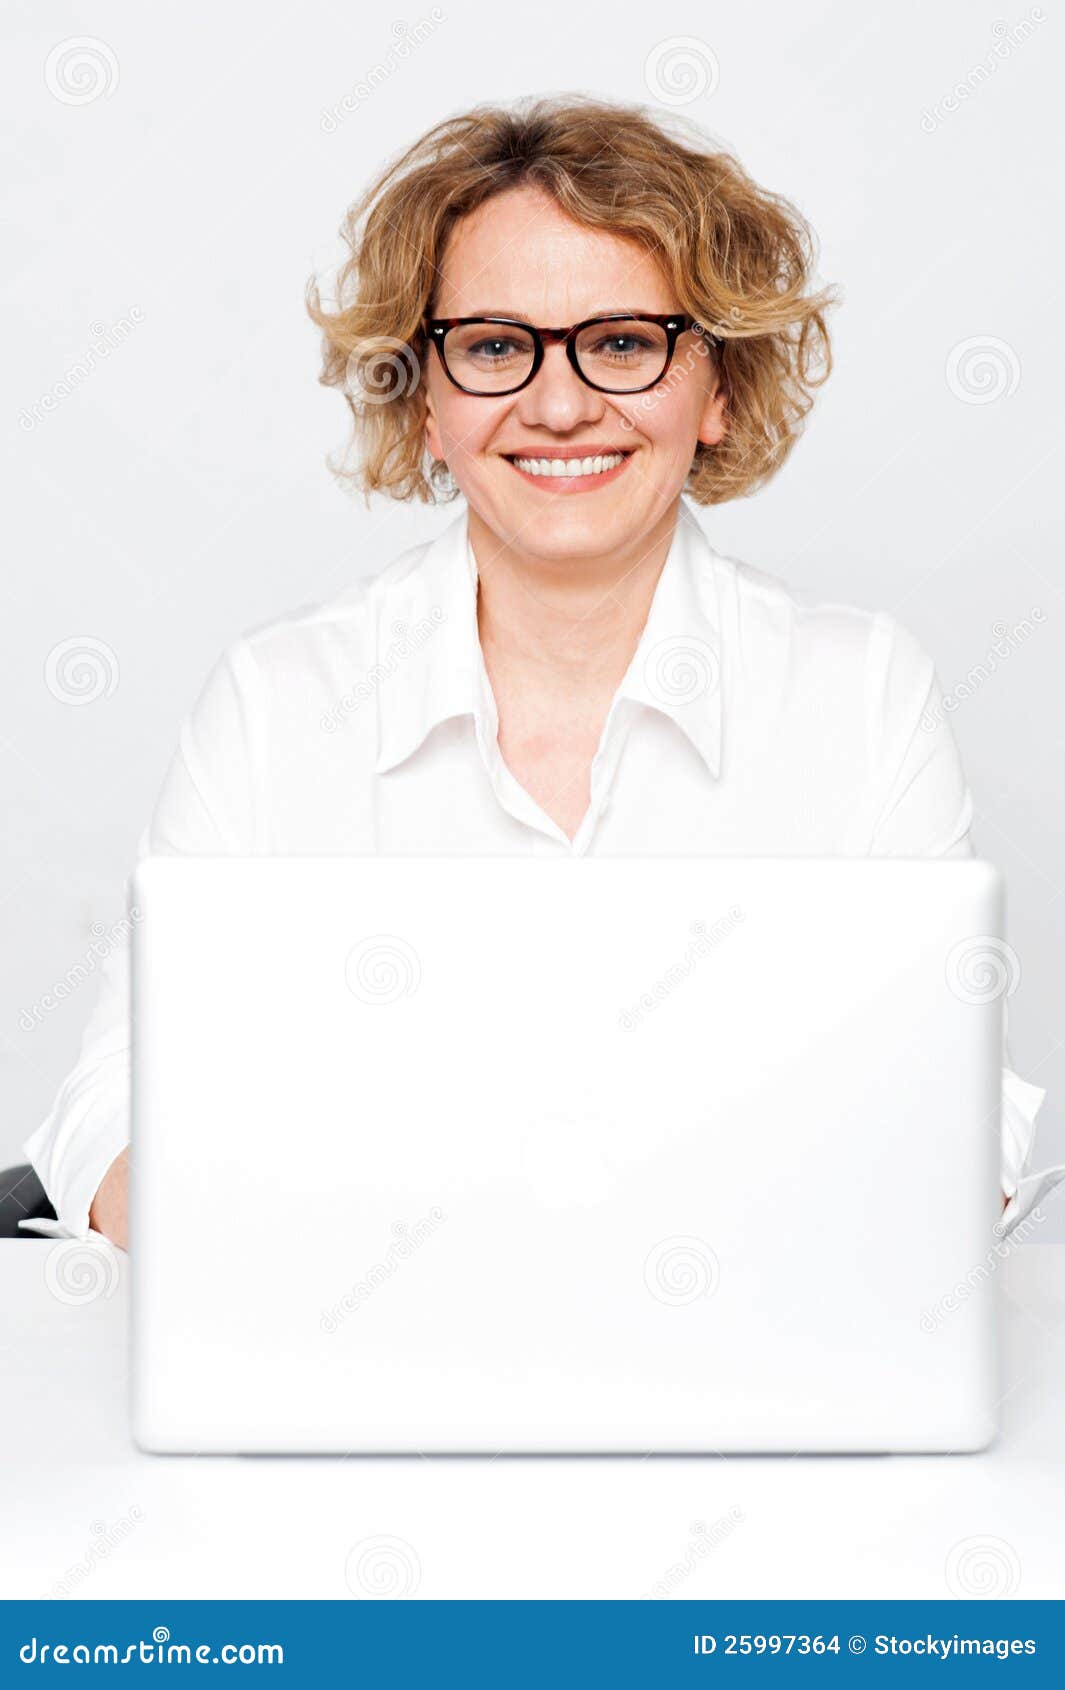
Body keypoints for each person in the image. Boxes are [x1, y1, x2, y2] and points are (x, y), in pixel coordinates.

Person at [20, 94, 1060, 1250]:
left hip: (739, 1377)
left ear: (717, 387)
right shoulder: (279, 702)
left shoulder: (859, 693)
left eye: (623, 341)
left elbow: (956, 1124)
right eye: (497, 346)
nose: (559, 406)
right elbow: (109, 1114)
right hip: (356, 1361)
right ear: (424, 399)